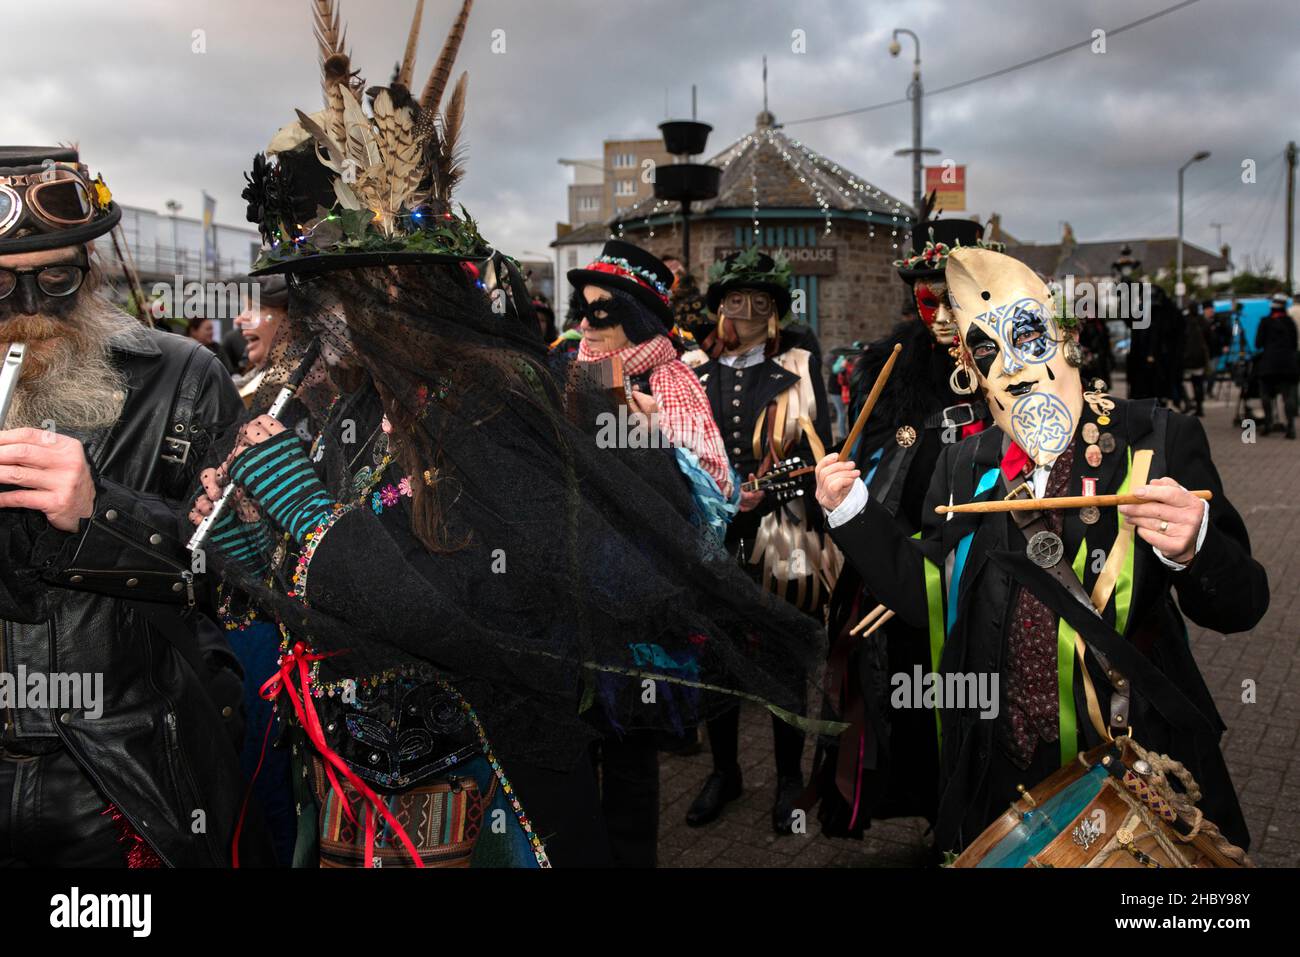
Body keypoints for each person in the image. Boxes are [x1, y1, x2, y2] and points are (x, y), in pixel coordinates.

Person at [194, 0, 815, 869]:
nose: (306, 320)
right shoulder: (343, 405)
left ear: (391, 290)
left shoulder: (496, 399)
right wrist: (240, 543)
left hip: (486, 812)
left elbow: (472, 623)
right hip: (351, 815)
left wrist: (301, 512)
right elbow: (313, 606)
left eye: (322, 295)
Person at [815, 246, 1267, 855]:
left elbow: (1241, 606)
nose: (1013, 367)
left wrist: (1197, 546)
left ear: (1069, 336)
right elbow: (928, 594)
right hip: (999, 770)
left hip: (1128, 765)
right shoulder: (962, 465)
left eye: (1027, 336)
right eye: (986, 353)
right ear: (970, 375)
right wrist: (850, 509)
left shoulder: (1157, 440)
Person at [0, 146, 265, 866]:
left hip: (125, 782)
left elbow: (246, 578)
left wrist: (103, 514)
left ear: (90, 267)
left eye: (53, 279)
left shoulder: (181, 378)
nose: (27, 312)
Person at [811, 206, 994, 841]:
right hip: (904, 582)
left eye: (958, 300)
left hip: (992, 585)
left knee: (986, 718)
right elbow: (870, 464)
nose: (942, 319)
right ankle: (943, 827)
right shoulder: (890, 369)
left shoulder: (1021, 369)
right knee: (916, 716)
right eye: (927, 301)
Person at [564, 239, 738, 865]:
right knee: (573, 758)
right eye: (580, 310)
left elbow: (717, 493)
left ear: (635, 317)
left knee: (632, 758)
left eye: (601, 312)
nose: (584, 324)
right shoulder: (567, 372)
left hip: (640, 604)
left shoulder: (673, 380)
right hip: (570, 601)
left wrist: (654, 432)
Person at [681, 247, 834, 832]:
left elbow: (821, 444)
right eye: (734, 302)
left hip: (783, 530)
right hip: (714, 534)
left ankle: (789, 779)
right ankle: (725, 771)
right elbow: (678, 450)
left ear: (774, 311)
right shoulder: (692, 370)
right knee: (715, 655)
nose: (744, 314)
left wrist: (767, 491)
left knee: (781, 655)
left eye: (758, 303)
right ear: (719, 308)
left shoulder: (799, 363)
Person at [231, 275, 288, 403]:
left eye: (256, 308)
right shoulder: (248, 383)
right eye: (245, 308)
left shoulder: (304, 390)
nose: (239, 320)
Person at [1255, 292, 1297, 438]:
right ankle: (1291, 426)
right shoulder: (1290, 322)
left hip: (1269, 365)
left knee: (1265, 394)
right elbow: (1293, 344)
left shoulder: (1265, 322)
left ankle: (1268, 424)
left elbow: (1258, 343)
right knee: (1288, 396)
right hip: (1288, 365)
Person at [1182, 300, 1211, 416]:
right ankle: (1198, 406)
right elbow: (1210, 338)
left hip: (1188, 357)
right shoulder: (1202, 321)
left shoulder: (1185, 321)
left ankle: (1189, 402)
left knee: (1189, 382)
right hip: (1199, 358)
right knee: (1198, 382)